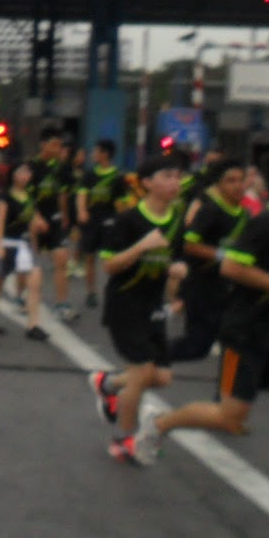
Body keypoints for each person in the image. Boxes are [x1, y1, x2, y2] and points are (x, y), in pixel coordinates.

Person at [130, 148, 269, 538]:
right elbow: (233, 267)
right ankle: (159, 423)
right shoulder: (265, 224)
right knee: (230, 416)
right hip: (244, 333)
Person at [86, 154, 186, 463]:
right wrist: (142, 246)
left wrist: (178, 278)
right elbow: (110, 265)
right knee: (142, 372)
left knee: (162, 378)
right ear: (146, 183)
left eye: (177, 176)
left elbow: (175, 259)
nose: (174, 182)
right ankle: (124, 439)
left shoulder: (176, 219)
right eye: (166, 176)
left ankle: (109, 384)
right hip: (125, 304)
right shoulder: (127, 220)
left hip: (154, 306)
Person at [169, 159, 249, 364]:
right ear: (219, 185)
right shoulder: (210, 210)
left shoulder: (245, 215)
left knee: (233, 342)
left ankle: (226, 392)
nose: (238, 185)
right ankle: (149, 357)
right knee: (196, 346)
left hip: (230, 288)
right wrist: (223, 255)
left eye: (241, 180)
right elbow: (190, 245)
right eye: (231, 181)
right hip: (202, 287)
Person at [0, 161, 49, 339]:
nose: (25, 176)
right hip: (8, 243)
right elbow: (0, 222)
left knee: (35, 282)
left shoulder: (29, 195)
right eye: (21, 172)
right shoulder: (5, 197)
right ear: (13, 175)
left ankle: (33, 325)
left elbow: (32, 217)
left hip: (23, 244)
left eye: (27, 172)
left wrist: (39, 226)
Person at [75, 140, 133, 310]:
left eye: (96, 151)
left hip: (109, 222)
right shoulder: (90, 174)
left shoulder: (118, 176)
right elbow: (82, 194)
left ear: (105, 154)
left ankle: (113, 290)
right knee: (90, 256)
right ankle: (91, 292)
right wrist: (82, 211)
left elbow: (124, 202)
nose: (93, 154)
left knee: (110, 258)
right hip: (92, 221)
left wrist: (126, 221)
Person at [27, 128, 77, 321]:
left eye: (59, 145)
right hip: (34, 220)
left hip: (55, 220)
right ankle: (23, 296)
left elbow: (63, 194)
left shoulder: (62, 168)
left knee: (61, 258)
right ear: (43, 145)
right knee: (32, 263)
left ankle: (62, 303)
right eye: (54, 144)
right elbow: (26, 196)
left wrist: (65, 217)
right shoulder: (31, 167)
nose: (58, 149)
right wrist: (36, 217)